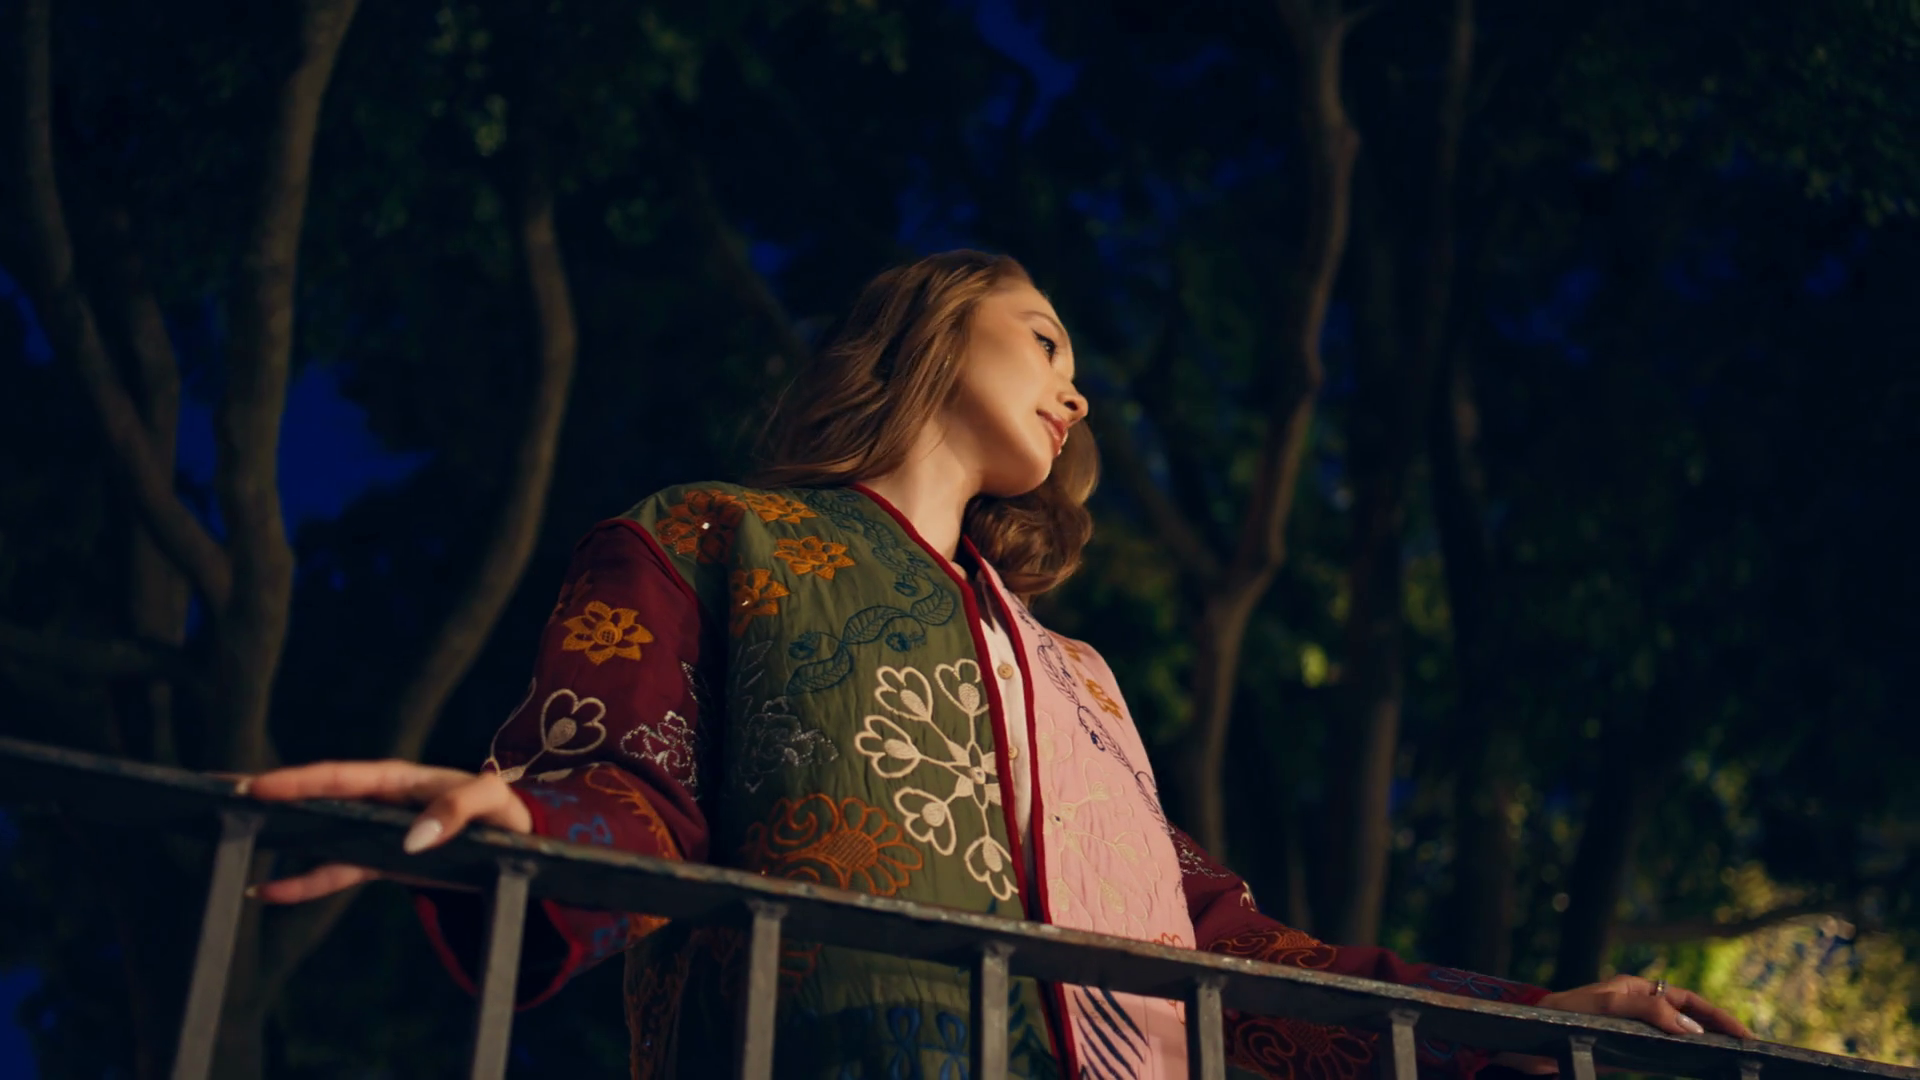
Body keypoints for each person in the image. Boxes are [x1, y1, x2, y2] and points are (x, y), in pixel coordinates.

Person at [244, 250, 1751, 1079]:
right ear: (926, 329)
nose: (1075, 380)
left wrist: (1537, 1018)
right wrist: (521, 823)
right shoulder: (716, 534)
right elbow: (627, 788)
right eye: (1041, 335)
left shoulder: (1077, 682)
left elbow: (1224, 949)